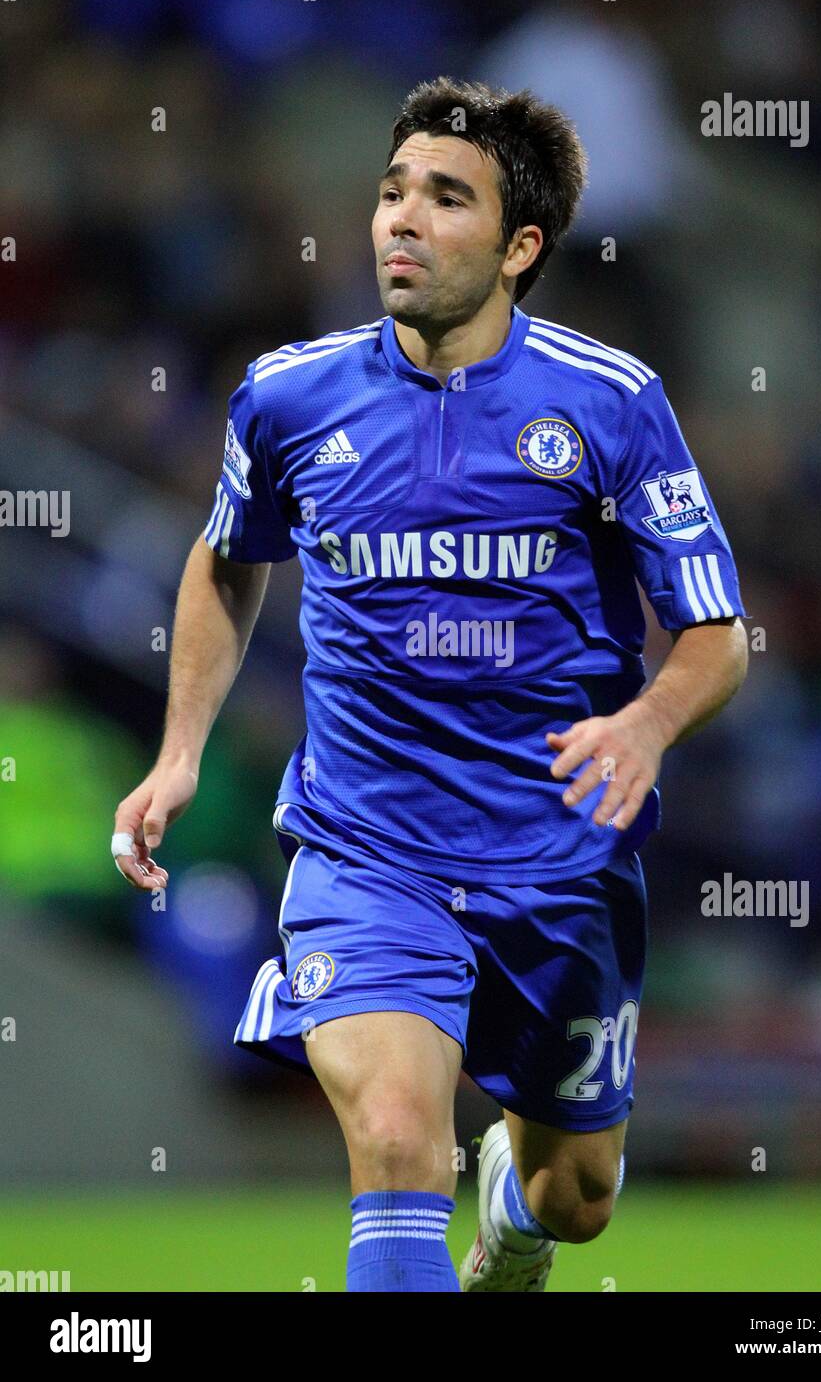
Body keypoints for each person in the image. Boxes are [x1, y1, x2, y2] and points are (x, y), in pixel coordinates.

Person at [112, 77, 748, 1293]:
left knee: (580, 1196)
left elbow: (716, 633)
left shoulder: (610, 406)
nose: (400, 218)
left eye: (444, 197)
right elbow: (226, 561)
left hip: (558, 857)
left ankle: (514, 1209)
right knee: (401, 1142)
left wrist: (646, 723)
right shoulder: (290, 396)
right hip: (368, 848)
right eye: (392, 189)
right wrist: (180, 746)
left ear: (518, 247)